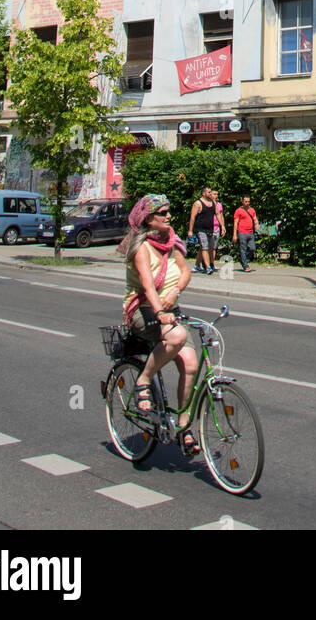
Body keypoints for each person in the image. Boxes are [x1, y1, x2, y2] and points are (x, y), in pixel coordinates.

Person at [121, 193, 199, 455]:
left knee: (191, 364)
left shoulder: (171, 240)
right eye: (162, 213)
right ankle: (144, 380)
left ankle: (184, 427)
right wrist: (159, 311)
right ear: (147, 219)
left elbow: (185, 270)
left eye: (168, 211)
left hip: (170, 309)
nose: (168, 216)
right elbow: (147, 285)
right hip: (144, 310)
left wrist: (176, 290)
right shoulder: (140, 246)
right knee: (176, 338)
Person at [187, 186, 218, 275]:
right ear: (203, 193)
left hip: (210, 229)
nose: (210, 194)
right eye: (208, 192)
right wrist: (190, 230)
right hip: (201, 229)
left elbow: (218, 214)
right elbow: (192, 217)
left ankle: (197, 265)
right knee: (205, 247)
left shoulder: (213, 203)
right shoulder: (198, 203)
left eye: (210, 192)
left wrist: (222, 226)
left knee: (206, 248)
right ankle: (208, 267)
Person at [232, 194, 260, 272]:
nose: (247, 203)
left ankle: (242, 258)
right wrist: (234, 234)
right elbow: (235, 223)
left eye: (248, 201)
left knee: (252, 248)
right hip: (242, 232)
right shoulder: (238, 211)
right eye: (246, 201)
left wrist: (257, 224)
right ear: (242, 202)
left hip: (250, 233)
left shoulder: (252, 210)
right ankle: (245, 266)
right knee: (243, 249)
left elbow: (255, 219)